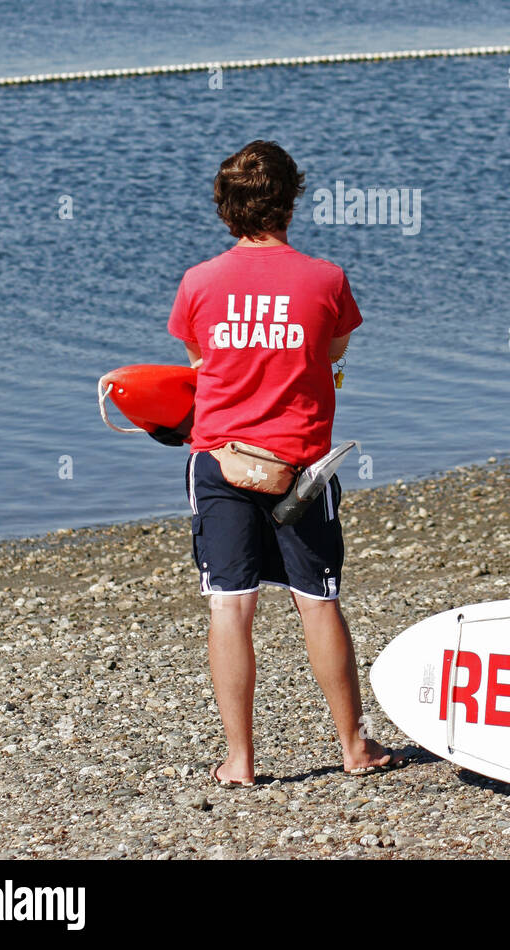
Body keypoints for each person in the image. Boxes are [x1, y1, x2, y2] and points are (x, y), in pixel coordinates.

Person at [168, 139, 403, 786]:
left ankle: (239, 761)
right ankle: (354, 748)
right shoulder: (325, 279)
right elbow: (335, 350)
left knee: (229, 606)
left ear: (225, 208)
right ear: (291, 201)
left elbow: (197, 364)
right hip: (300, 468)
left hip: (219, 461)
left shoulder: (198, 284)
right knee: (319, 603)